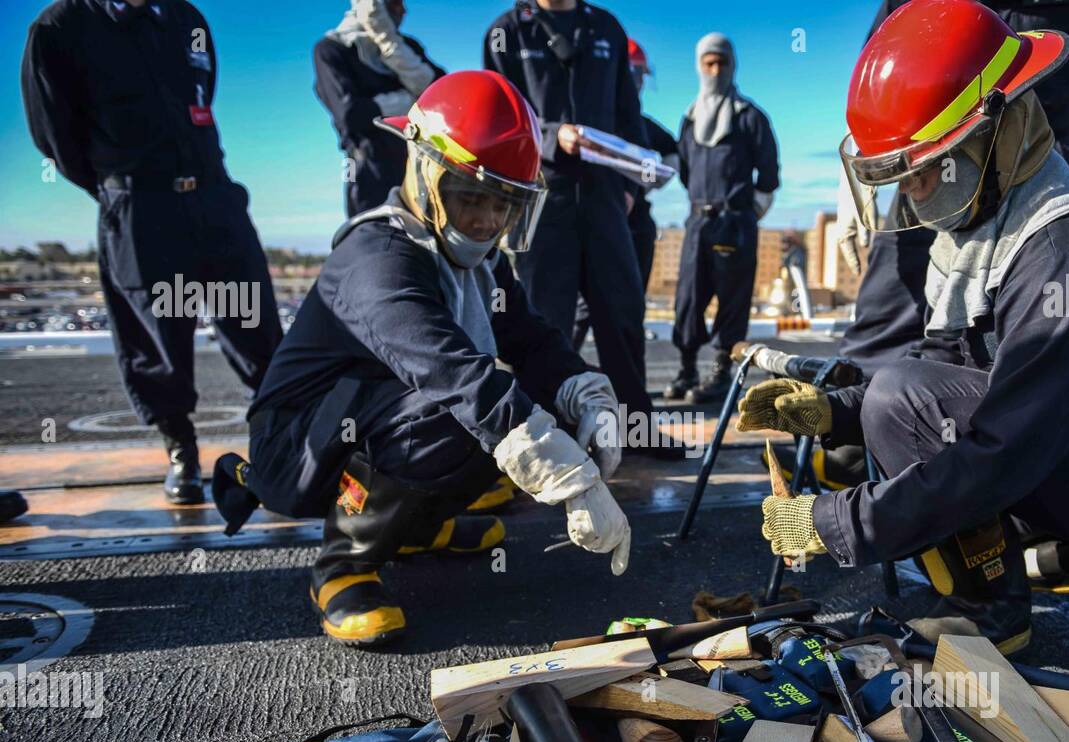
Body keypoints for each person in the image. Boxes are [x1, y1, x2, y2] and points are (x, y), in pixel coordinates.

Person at [741, 0, 1069, 664]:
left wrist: (831, 523)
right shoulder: (981, 218)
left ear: (995, 128)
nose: (912, 194)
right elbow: (942, 366)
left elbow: (1003, 449)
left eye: (924, 168)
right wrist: (838, 412)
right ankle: (994, 606)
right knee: (894, 397)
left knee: (950, 440)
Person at [212, 71, 630, 648]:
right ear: (426, 172)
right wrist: (568, 474)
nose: (486, 220)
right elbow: (450, 373)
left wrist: (584, 391)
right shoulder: (377, 257)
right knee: (471, 412)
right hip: (301, 445)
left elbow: (529, 341)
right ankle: (343, 564)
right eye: (471, 197)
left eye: (504, 203)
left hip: (371, 421)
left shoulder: (475, 256)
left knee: (516, 408)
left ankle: (416, 527)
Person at [776, 0, 1069, 492]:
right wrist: (859, 174)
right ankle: (856, 453)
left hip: (1020, 150)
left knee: (1016, 335)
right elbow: (884, 65)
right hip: (919, 156)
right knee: (889, 317)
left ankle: (1061, 492)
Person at [21, 0, 284, 505]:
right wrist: (124, 187)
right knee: (157, 341)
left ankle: (278, 443)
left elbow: (202, 95)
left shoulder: (187, 20)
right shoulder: (59, 30)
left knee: (258, 329)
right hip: (141, 211)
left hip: (214, 197)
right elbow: (54, 137)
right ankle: (181, 449)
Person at [483, 1, 657, 435]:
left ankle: (636, 427)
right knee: (545, 316)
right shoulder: (506, 32)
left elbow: (628, 115)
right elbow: (498, 114)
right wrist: (550, 134)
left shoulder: (606, 27)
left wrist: (632, 185)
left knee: (622, 313)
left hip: (605, 196)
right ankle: (546, 430)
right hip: (542, 195)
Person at [665, 33, 780, 404]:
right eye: (708, 64)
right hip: (697, 222)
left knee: (732, 298)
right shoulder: (688, 119)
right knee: (688, 297)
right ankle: (686, 368)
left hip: (735, 224)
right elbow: (683, 171)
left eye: (722, 63)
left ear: (732, 66)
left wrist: (748, 213)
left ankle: (721, 370)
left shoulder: (750, 117)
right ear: (700, 66)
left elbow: (769, 174)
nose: (715, 70)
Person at [572, 37, 679, 352]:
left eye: (640, 76)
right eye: (634, 75)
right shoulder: (592, 122)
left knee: (627, 308)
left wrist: (643, 184)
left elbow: (671, 153)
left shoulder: (643, 126)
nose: (637, 84)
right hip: (592, 221)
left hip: (633, 224)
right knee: (581, 309)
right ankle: (558, 377)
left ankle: (624, 391)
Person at [315, 1, 446, 216]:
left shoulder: (408, 48)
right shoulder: (331, 50)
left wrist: (390, 45)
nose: (404, 11)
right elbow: (350, 114)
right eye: (395, 2)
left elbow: (442, 91)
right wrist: (412, 100)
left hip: (421, 168)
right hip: (370, 174)